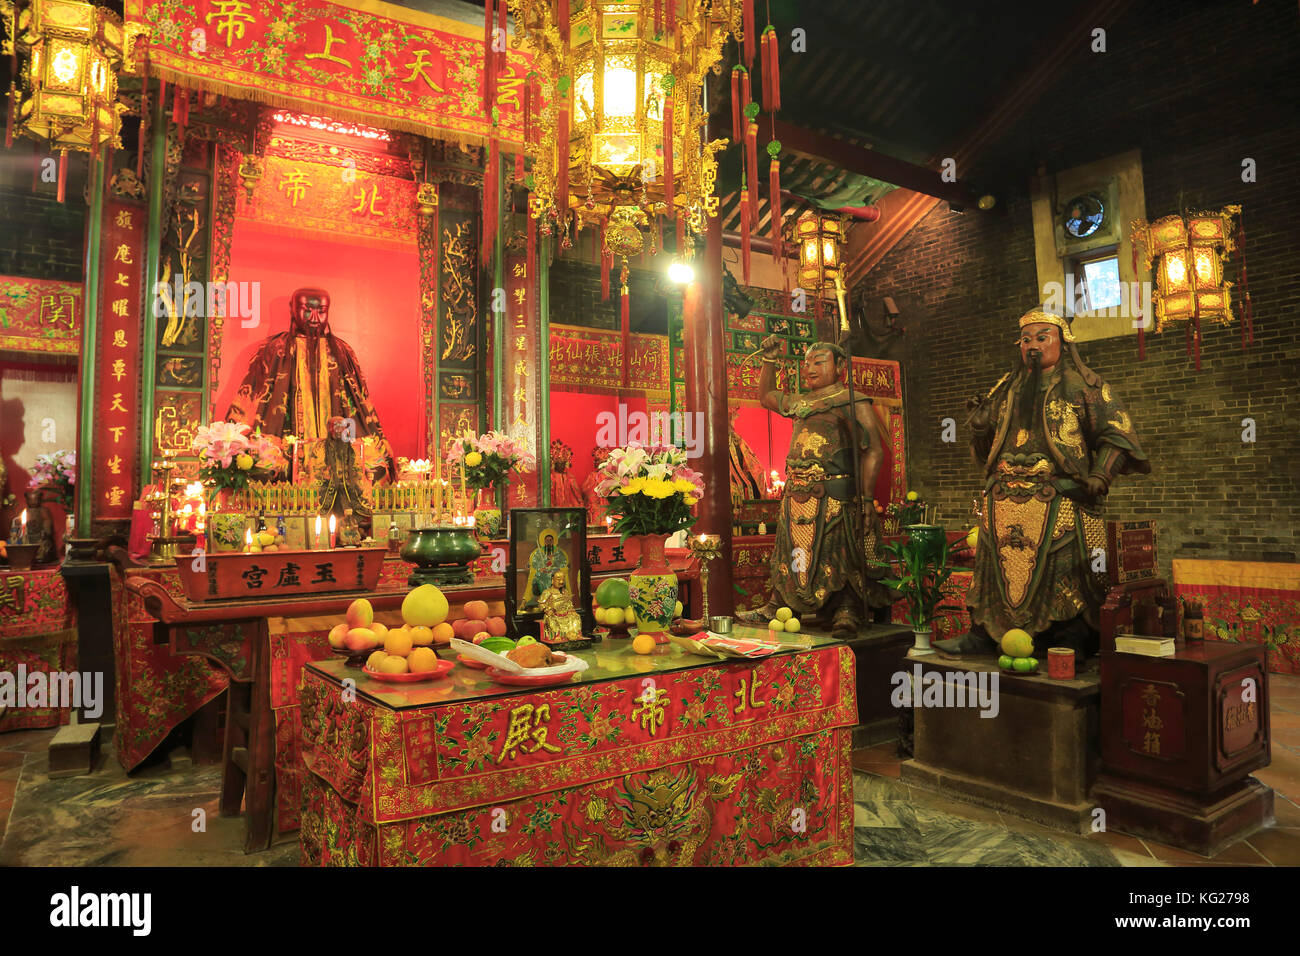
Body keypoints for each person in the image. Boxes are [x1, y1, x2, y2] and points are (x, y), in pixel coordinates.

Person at [934, 308, 1150, 659]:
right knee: (994, 568)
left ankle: (1070, 637)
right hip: (1003, 498)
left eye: (1041, 337)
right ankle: (984, 634)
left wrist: (1100, 475)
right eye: (1025, 339)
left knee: (1064, 567)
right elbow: (986, 446)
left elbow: (1118, 435)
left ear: (1063, 343)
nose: (1032, 345)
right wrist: (978, 426)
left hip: (1061, 497)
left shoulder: (1085, 386)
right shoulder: (1005, 388)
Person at [736, 338, 893, 639]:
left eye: (819, 362)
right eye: (807, 363)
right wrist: (769, 361)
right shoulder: (801, 402)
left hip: (836, 493)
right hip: (797, 494)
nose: (810, 368)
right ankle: (779, 604)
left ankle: (845, 608)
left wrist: (867, 499)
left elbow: (874, 450)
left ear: (840, 368)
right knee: (792, 551)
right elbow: (767, 397)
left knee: (838, 550)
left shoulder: (852, 400)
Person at [226, 287, 394, 480]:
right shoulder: (275, 349)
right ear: (292, 309)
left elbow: (358, 402)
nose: (314, 317)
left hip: (339, 441)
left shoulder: (341, 350)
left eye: (321, 311)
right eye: (307, 309)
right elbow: (254, 398)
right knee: (264, 471)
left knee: (374, 468)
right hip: (285, 438)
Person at [523, 528, 570, 611]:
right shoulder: (538, 553)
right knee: (537, 577)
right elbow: (534, 565)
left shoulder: (558, 552)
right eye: (547, 540)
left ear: (553, 541)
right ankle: (542, 600)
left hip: (555, 573)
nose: (549, 542)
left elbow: (563, 564)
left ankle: (554, 599)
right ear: (544, 541)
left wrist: (554, 564)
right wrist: (540, 569)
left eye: (550, 540)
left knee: (554, 577)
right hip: (542, 574)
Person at [728, 405, 767, 500]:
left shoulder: (737, 439)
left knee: (758, 474)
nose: (732, 422)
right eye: (731, 418)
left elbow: (748, 460)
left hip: (740, 471)